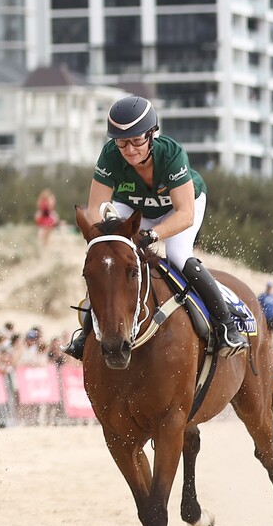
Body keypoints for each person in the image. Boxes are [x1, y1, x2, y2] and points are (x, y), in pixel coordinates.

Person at [67, 95, 243, 357]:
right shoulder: (109, 156)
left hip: (179, 206)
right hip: (135, 207)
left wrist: (151, 235)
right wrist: (101, 244)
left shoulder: (171, 154)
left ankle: (226, 324)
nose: (129, 150)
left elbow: (185, 215)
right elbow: (95, 210)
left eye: (137, 140)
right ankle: (86, 333)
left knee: (177, 255)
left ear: (152, 135)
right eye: (122, 142)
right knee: (109, 261)